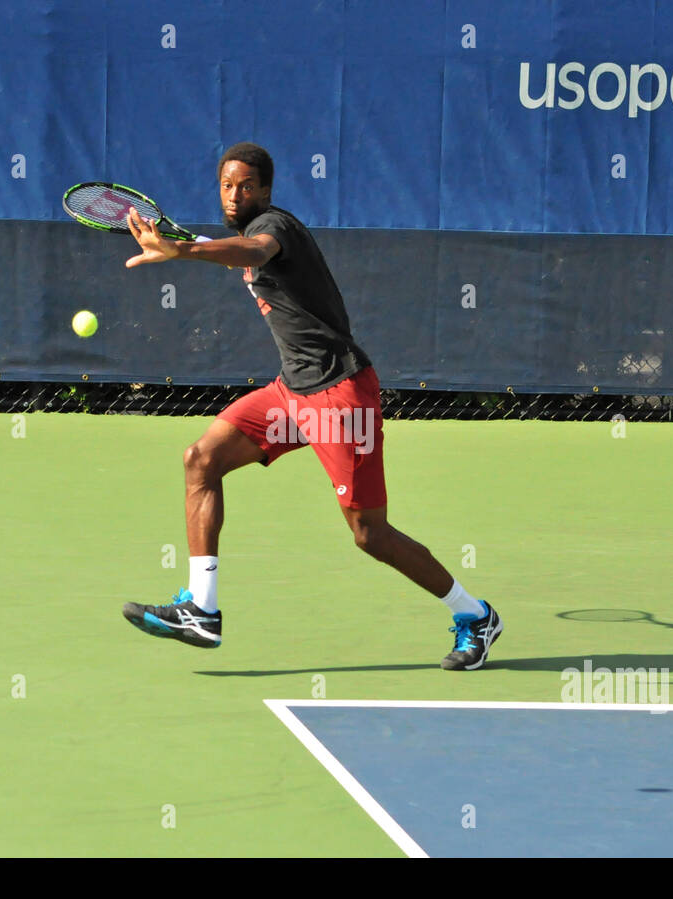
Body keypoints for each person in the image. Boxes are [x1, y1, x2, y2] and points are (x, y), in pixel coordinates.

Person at [120, 142, 502, 670]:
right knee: (200, 460)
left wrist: (181, 252)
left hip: (341, 395)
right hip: (290, 393)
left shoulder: (277, 228)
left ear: (267, 190)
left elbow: (253, 252)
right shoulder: (242, 233)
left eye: (246, 186)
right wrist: (191, 247)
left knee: (370, 534)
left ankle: (475, 615)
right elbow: (231, 249)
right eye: (227, 185)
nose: (235, 195)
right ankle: (202, 609)